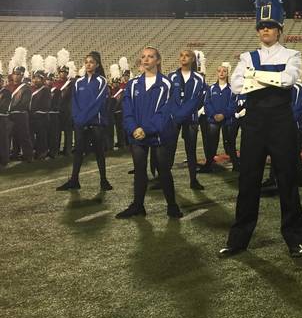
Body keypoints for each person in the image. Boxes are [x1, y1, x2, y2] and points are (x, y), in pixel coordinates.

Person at [218, 0, 302, 259]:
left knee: (287, 179)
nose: (265, 30)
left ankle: (294, 238)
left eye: (270, 26)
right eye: (261, 26)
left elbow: (289, 80)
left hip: (281, 121)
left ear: (280, 29)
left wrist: (256, 77)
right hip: (254, 121)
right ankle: (238, 239)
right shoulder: (247, 55)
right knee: (248, 180)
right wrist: (267, 80)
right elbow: (236, 86)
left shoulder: (292, 54)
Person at [116, 47, 182, 219]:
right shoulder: (133, 84)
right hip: (137, 134)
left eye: (150, 57)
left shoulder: (166, 84)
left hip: (157, 134)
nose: (146, 60)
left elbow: (165, 112)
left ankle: (172, 205)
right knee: (139, 169)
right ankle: (138, 205)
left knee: (163, 170)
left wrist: (146, 129)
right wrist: (133, 128)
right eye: (143, 57)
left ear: (158, 60)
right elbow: (127, 109)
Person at [56, 52, 112, 191]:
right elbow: (74, 103)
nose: (88, 64)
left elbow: (98, 103)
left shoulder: (102, 81)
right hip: (81, 122)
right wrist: (78, 118)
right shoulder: (78, 82)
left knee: (99, 152)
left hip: (95, 122)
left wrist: (84, 118)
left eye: (91, 62)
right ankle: (74, 180)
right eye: (86, 62)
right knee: (78, 151)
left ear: (97, 65)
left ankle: (103, 181)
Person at [167, 50, 206, 190]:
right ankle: (164, 178)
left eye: (187, 55)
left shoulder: (198, 78)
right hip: (174, 118)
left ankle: (193, 180)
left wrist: (180, 115)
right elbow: (169, 98)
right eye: (181, 55)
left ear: (193, 59)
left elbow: (196, 100)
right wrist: (174, 115)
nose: (183, 57)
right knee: (170, 148)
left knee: (191, 150)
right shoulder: (171, 76)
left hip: (190, 118)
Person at [201, 62, 239, 172]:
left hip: (228, 120)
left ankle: (236, 165)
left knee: (230, 143)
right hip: (213, 120)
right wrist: (214, 115)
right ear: (217, 73)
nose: (221, 73)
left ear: (227, 73)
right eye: (219, 71)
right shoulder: (211, 88)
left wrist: (224, 115)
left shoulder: (232, 89)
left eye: (224, 71)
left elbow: (233, 105)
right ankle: (208, 165)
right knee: (212, 143)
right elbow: (207, 103)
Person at [8, 65, 33, 163]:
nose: (16, 76)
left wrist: (10, 108)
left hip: (21, 115)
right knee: (13, 136)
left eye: (18, 74)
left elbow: (24, 103)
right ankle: (15, 154)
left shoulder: (26, 88)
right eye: (15, 74)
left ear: (22, 75)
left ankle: (28, 156)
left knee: (24, 136)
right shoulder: (9, 87)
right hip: (10, 115)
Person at [29, 69, 51, 160]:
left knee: (41, 136)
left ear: (42, 80)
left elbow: (46, 105)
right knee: (33, 136)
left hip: (41, 116)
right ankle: (36, 151)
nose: (35, 80)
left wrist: (37, 111)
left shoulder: (45, 90)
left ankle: (43, 152)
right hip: (33, 117)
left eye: (38, 78)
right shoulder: (33, 89)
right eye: (35, 78)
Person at [0, 73, 10, 167]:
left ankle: (4, 159)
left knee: (3, 139)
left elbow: (3, 106)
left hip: (2, 118)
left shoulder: (6, 92)